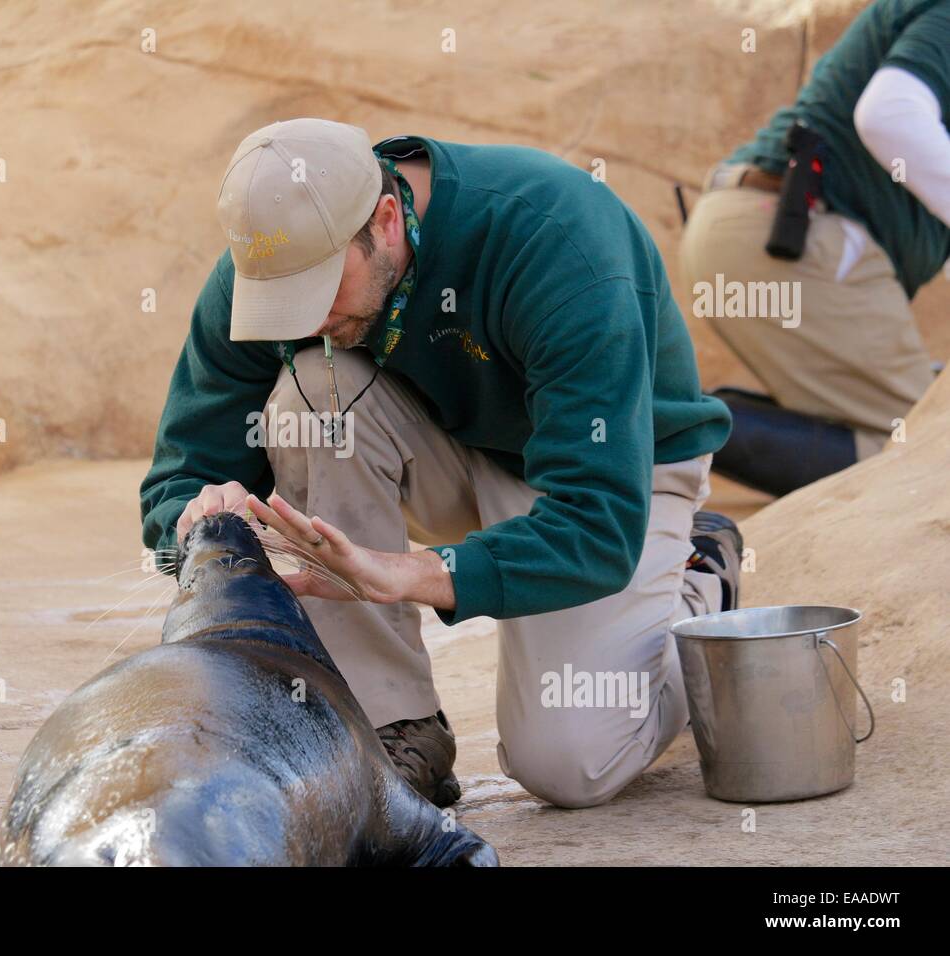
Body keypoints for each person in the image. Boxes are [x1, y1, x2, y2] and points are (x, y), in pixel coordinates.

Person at [140, 117, 740, 809]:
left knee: (571, 763)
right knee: (311, 393)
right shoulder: (272, 269)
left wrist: (412, 574)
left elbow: (597, 523)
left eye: (321, 290)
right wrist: (192, 523)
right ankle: (397, 724)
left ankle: (698, 580)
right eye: (285, 300)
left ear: (387, 219)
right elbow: (180, 474)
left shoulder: (556, 240)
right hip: (455, 452)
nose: (302, 321)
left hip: (613, 477)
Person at [681, 0, 950, 496]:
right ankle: (659, 422)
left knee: (908, 425)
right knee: (927, 450)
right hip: (792, 240)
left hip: (754, 234)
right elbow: (889, 117)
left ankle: (671, 417)